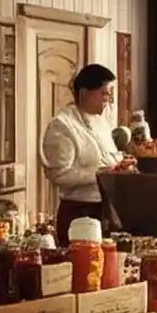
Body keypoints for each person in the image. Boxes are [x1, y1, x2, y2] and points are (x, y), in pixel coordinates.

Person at [39, 64, 124, 245]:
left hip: (105, 211)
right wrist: (100, 174)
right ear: (84, 93)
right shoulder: (62, 125)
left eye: (109, 94)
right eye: (104, 93)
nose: (108, 100)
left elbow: (109, 158)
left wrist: (121, 164)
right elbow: (58, 175)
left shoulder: (102, 121)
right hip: (78, 212)